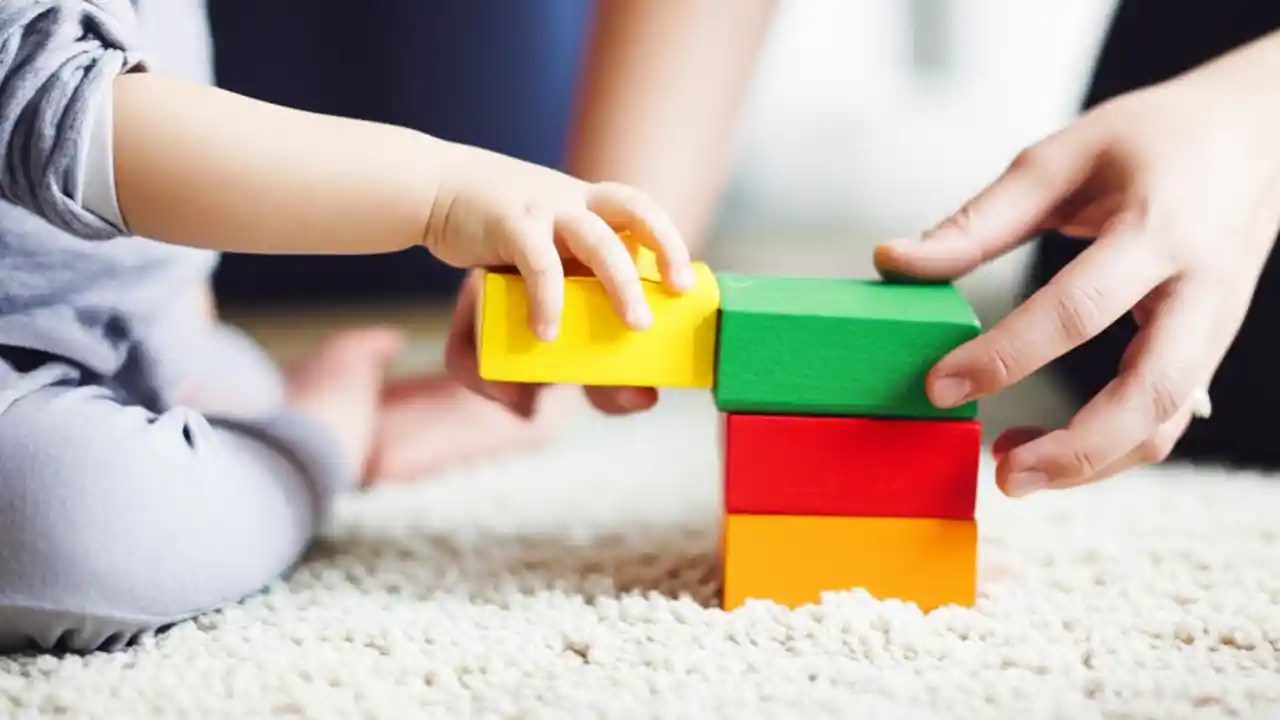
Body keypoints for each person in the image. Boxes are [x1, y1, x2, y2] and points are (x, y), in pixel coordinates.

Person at [0, 0, 692, 653]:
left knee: (213, 391)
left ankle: (243, 410)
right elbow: (60, 107)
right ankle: (315, 431)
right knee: (67, 511)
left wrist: (179, 314)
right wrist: (447, 193)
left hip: (149, 339)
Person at [445, 2, 1280, 497]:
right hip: (1179, 104)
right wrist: (606, 276)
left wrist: (1248, 120)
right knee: (1109, 341)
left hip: (1236, 112)